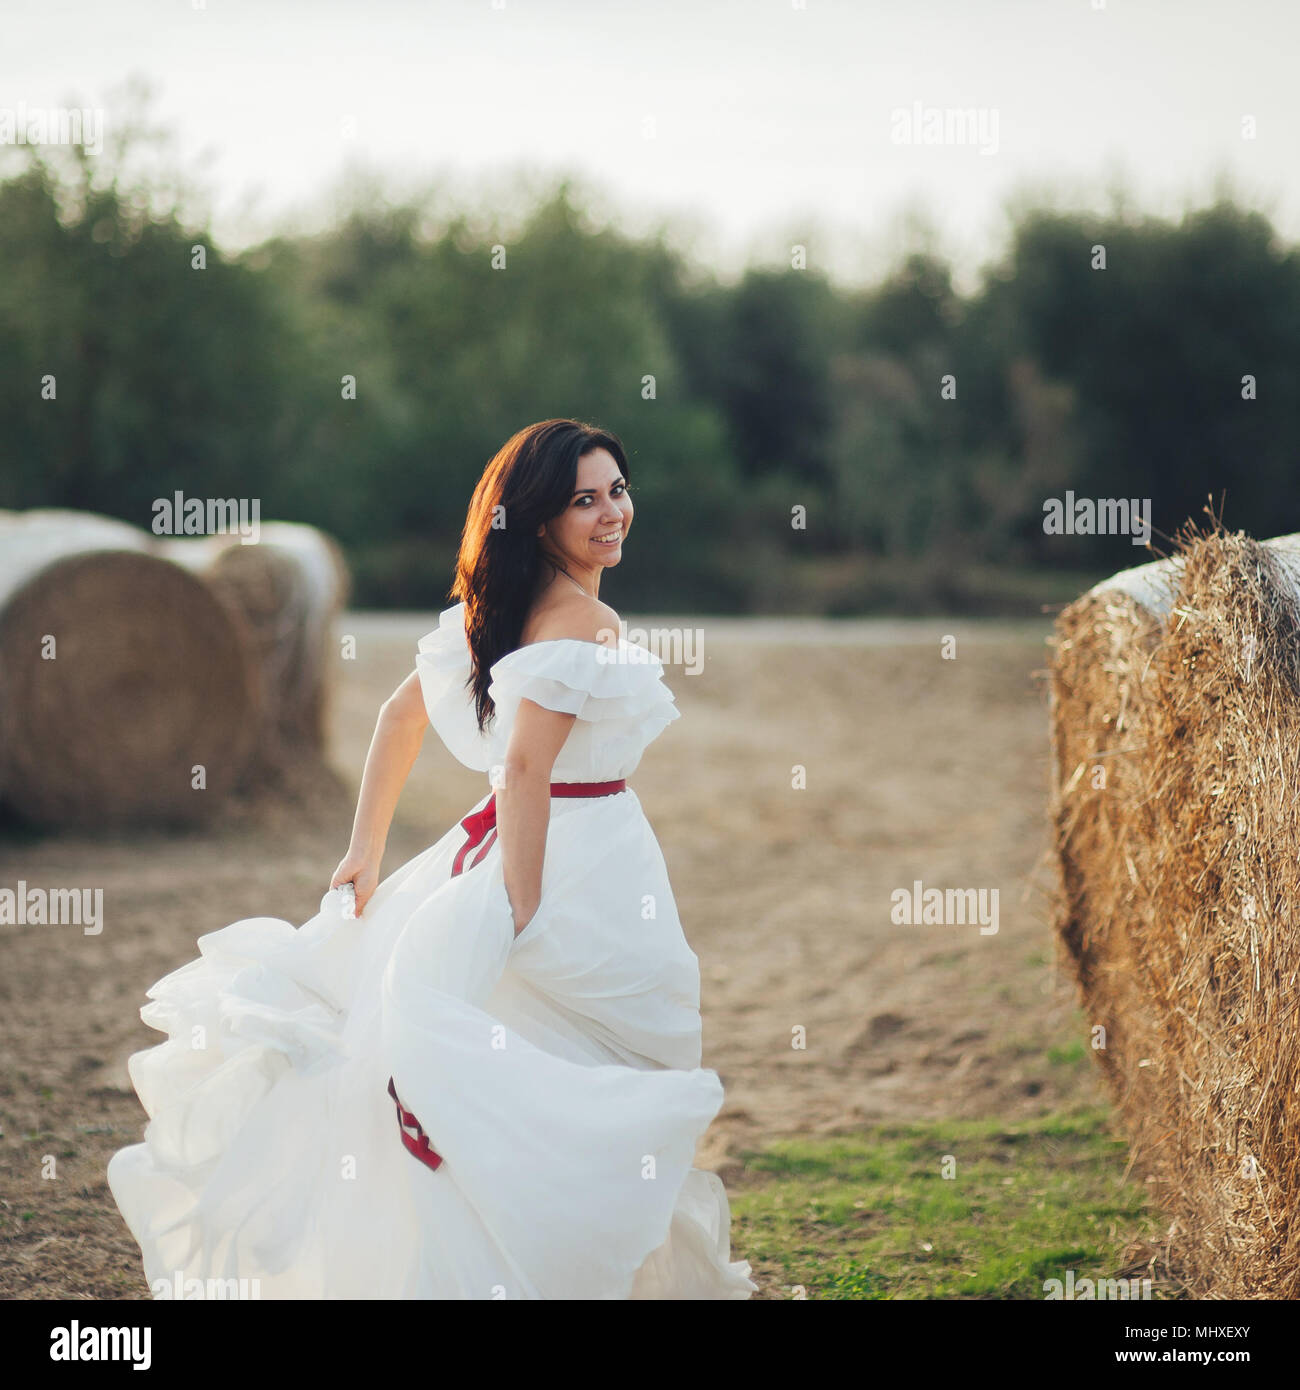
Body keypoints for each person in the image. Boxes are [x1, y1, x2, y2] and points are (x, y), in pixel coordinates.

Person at [107, 418, 757, 1299]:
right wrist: (523, 907)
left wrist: (364, 853)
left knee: (548, 1075)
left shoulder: (495, 611)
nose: (613, 513)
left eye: (618, 491)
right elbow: (526, 768)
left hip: (502, 848)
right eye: (584, 500)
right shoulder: (586, 620)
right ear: (536, 521)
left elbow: (397, 719)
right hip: (569, 862)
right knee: (596, 1079)